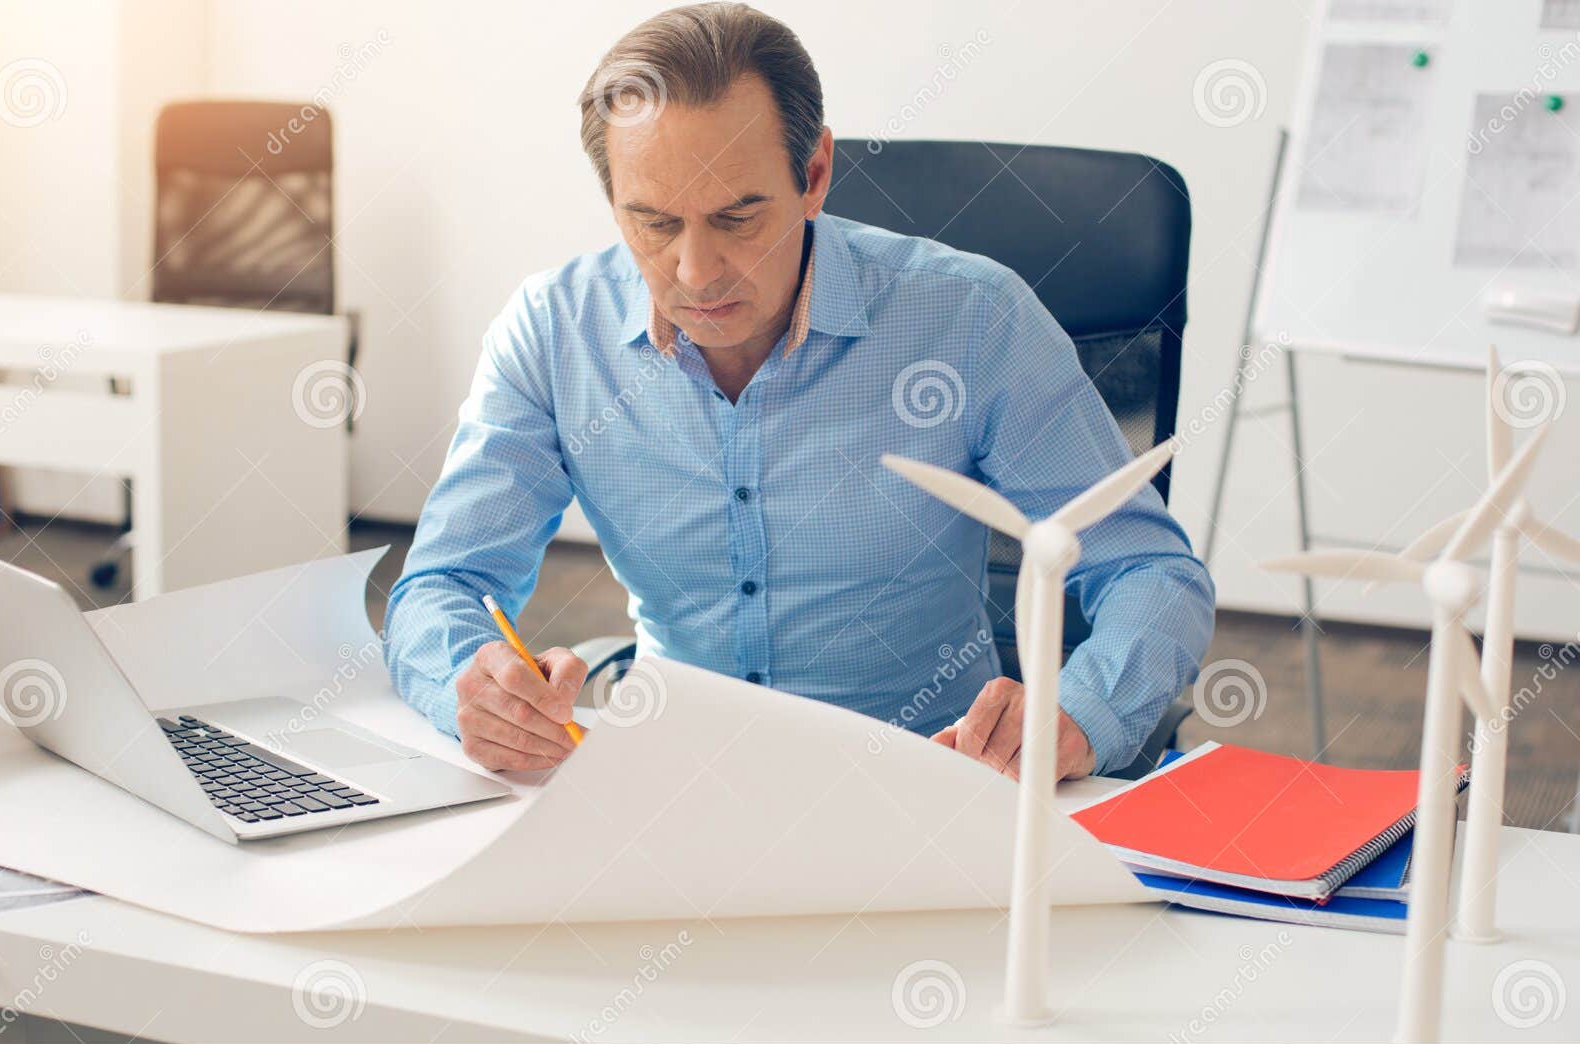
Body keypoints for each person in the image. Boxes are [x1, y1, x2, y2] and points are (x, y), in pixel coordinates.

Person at [384, 2, 1214, 783]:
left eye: (738, 218)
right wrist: (471, 682)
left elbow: (1150, 570)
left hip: (926, 787)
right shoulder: (554, 329)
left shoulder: (972, 320)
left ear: (814, 172)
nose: (696, 272)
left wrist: (1080, 711)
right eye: (654, 223)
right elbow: (442, 584)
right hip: (674, 787)